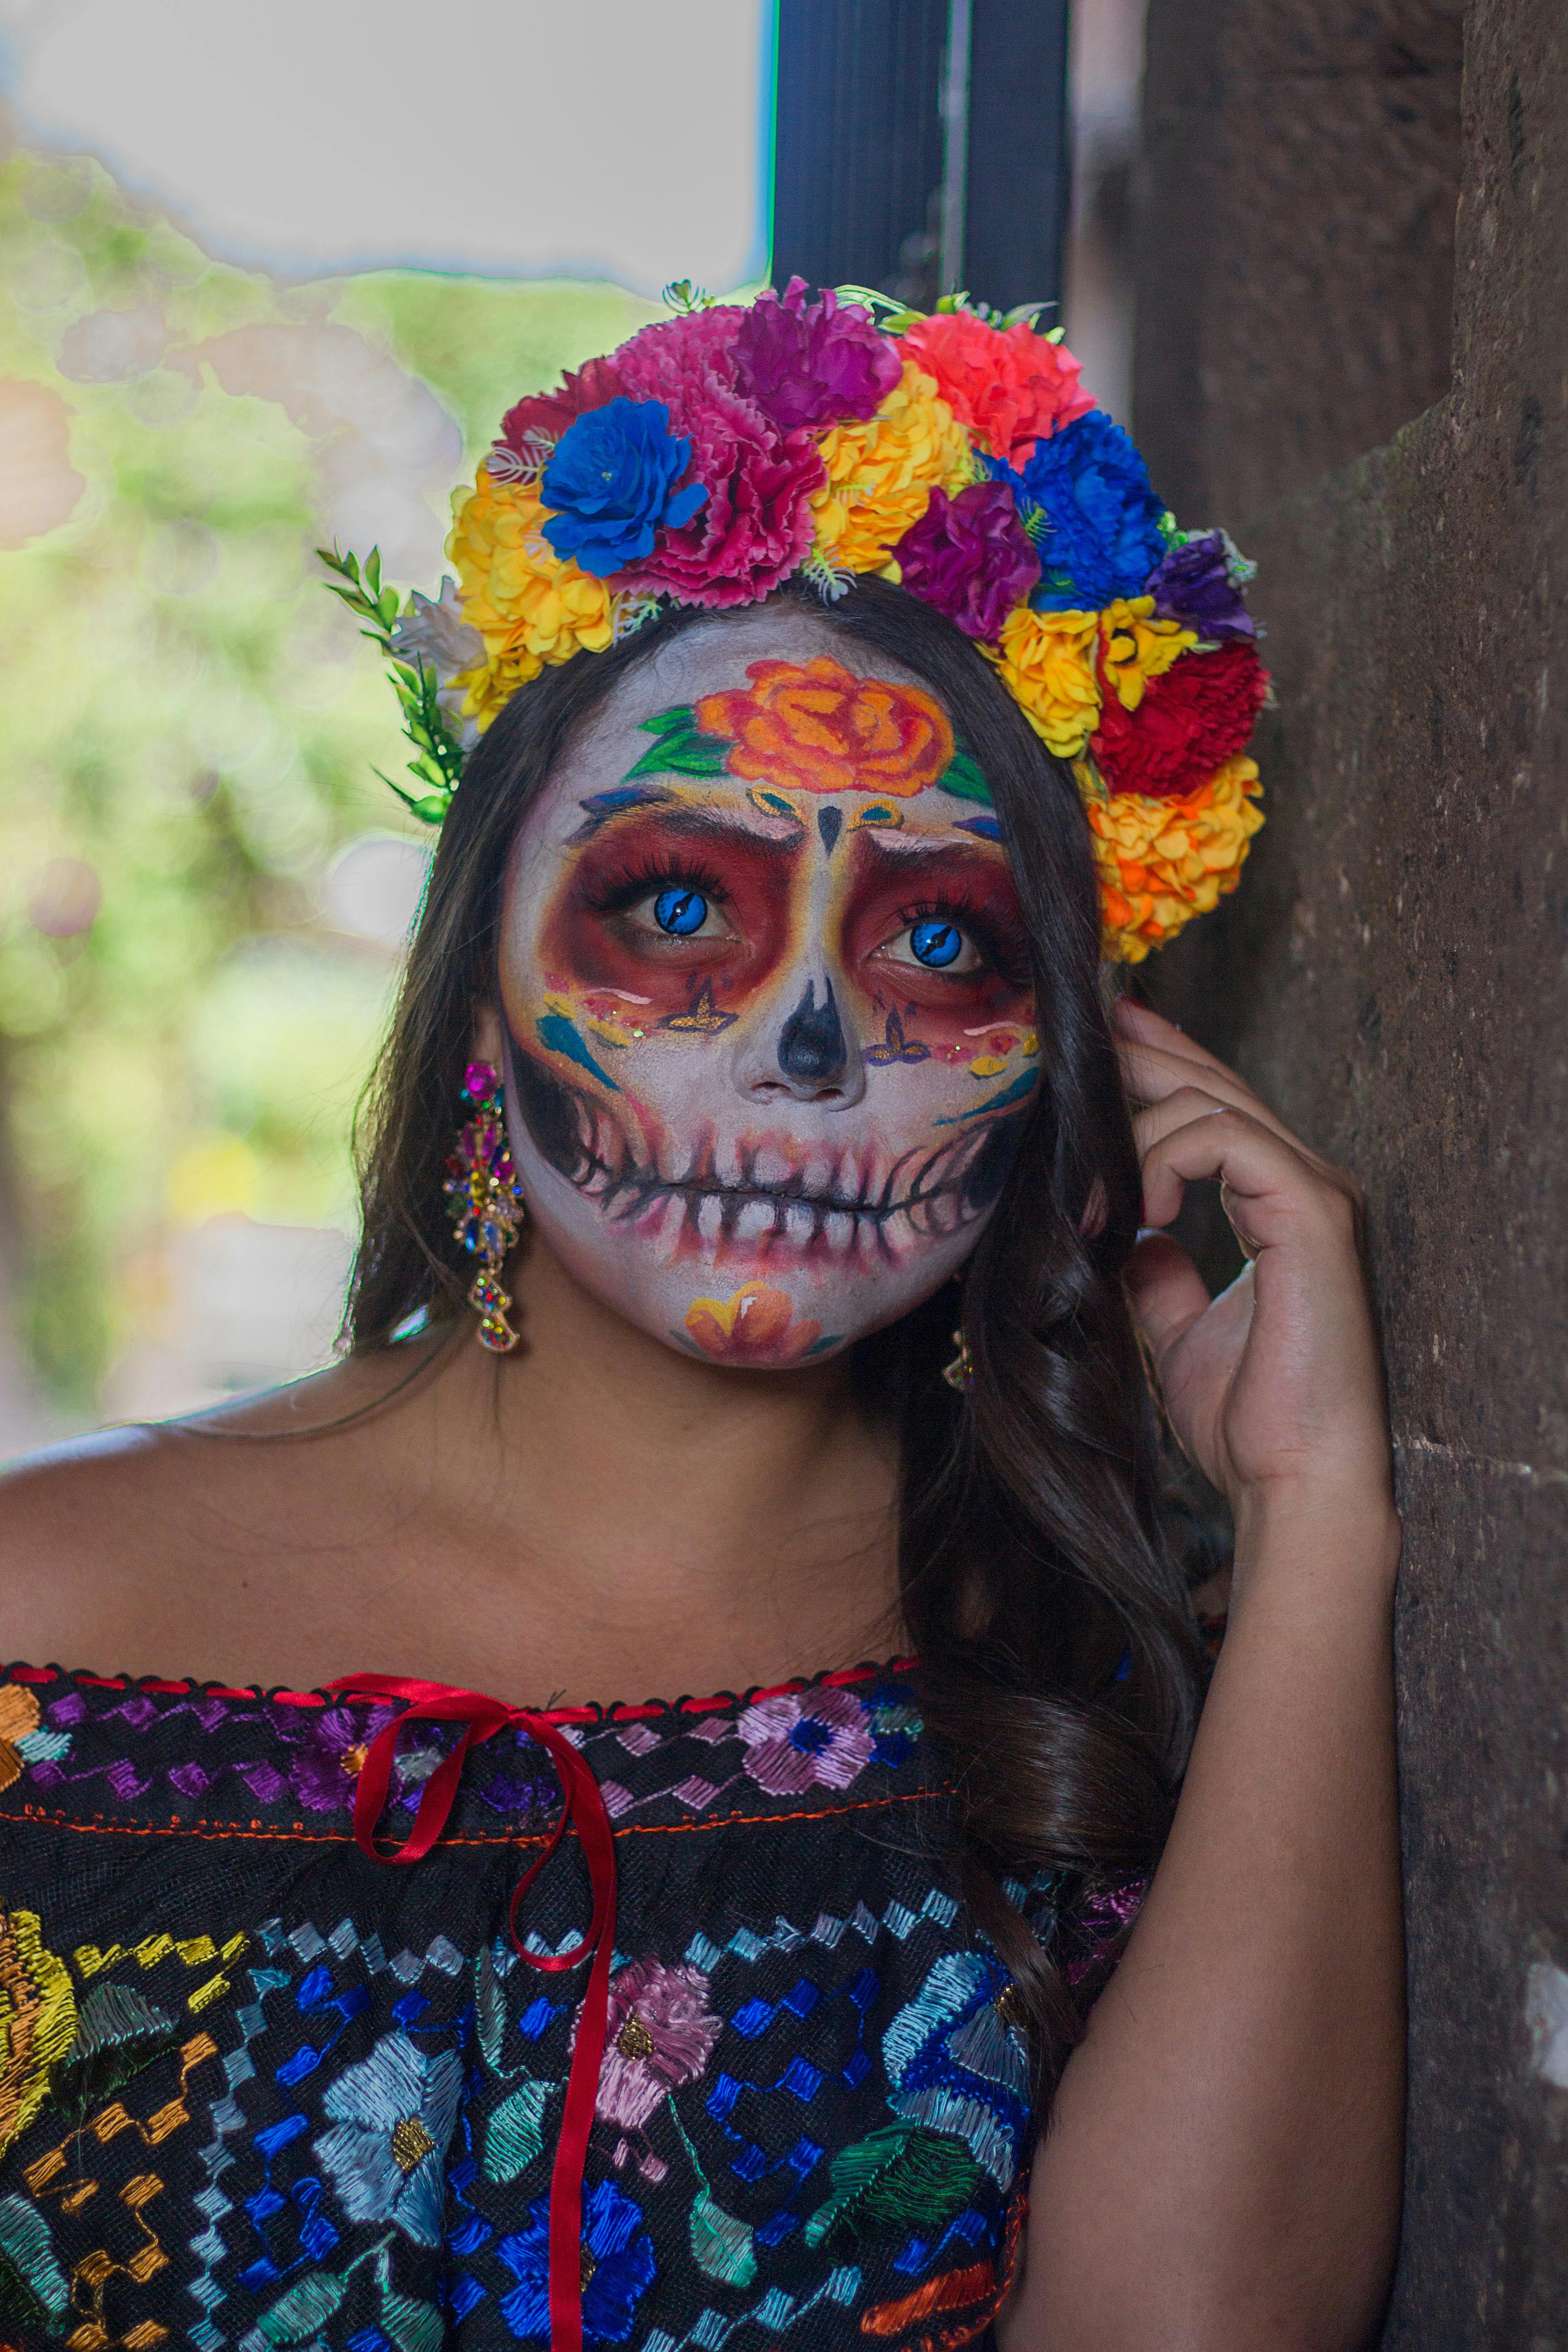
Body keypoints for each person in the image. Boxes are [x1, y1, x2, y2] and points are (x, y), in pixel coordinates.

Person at [0, 288, 1401, 2352]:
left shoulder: (1085, 1662)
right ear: (479, 1000)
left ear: (1068, 1064)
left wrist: (1318, 1520)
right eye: (675, 907)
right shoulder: (36, 1598)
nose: (811, 1048)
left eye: (940, 938)